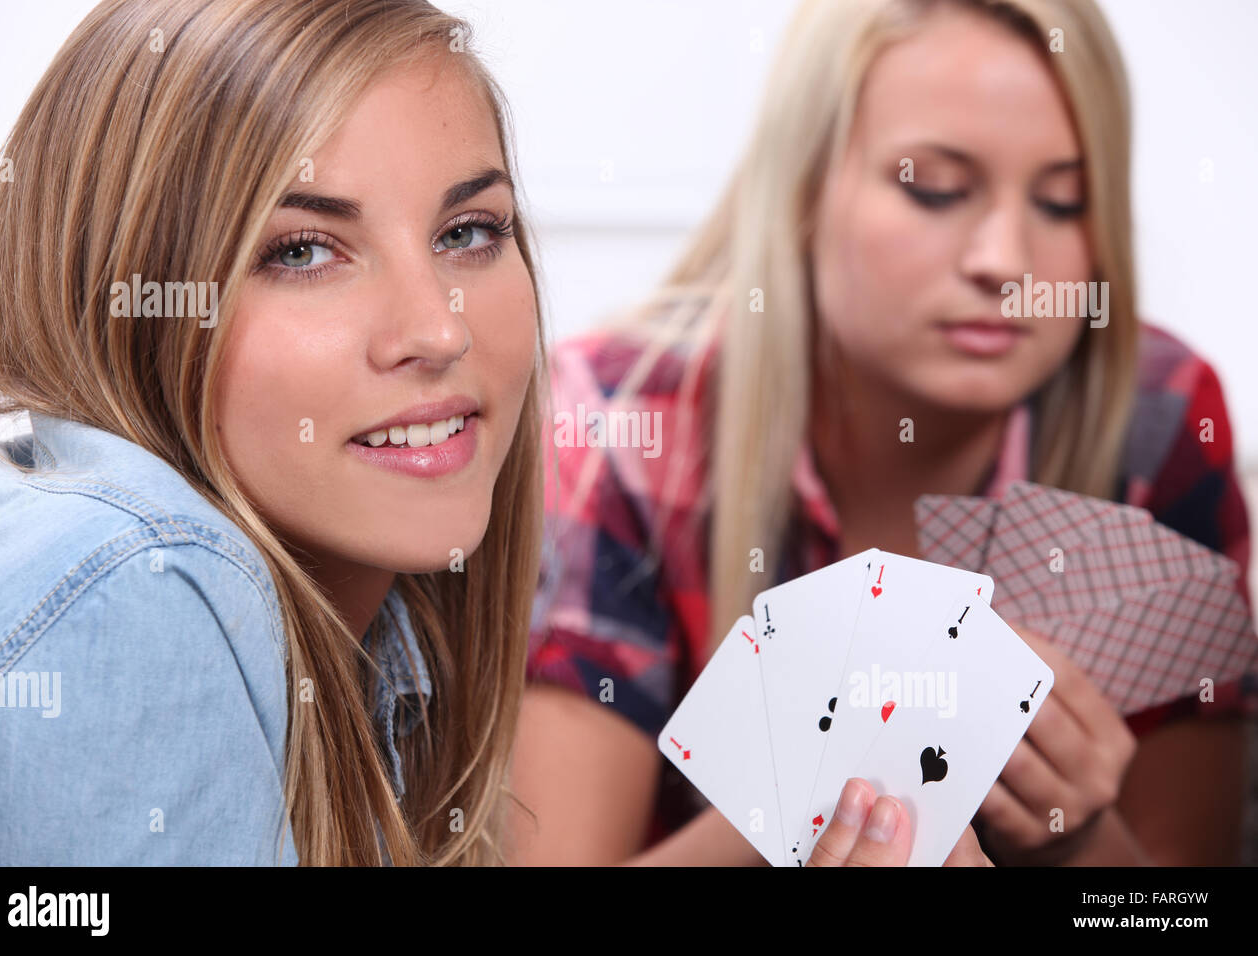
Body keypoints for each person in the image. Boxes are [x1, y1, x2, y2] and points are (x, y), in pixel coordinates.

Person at [512, 0, 1253, 866]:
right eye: (933, 187)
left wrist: (1077, 831)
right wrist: (805, 795)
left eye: (1063, 201)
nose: (1005, 261)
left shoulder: (1159, 421)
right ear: (801, 187)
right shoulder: (617, 417)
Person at [0, 0, 547, 866]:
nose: (439, 330)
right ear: (130, 303)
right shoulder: (135, 584)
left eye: (467, 233)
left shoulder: (359, 623)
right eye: (305, 251)